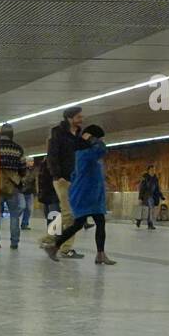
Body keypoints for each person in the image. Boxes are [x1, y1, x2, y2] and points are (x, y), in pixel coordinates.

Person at [43, 125, 115, 266]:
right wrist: (92, 140)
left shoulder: (85, 153)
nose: (101, 141)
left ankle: (100, 254)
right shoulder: (84, 153)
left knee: (88, 223)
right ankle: (54, 246)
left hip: (91, 195)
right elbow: (101, 150)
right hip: (85, 195)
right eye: (99, 138)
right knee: (81, 223)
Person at [42, 106, 86, 257]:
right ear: (70, 118)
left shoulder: (79, 134)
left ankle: (48, 239)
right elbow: (52, 156)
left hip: (75, 179)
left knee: (70, 215)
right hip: (62, 179)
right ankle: (65, 248)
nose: (81, 119)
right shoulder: (58, 133)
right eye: (79, 117)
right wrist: (57, 175)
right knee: (71, 216)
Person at [0, 124, 27, 249]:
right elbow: (23, 168)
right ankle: (14, 242)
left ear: (1, 133)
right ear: (12, 134)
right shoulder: (18, 149)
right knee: (14, 215)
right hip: (13, 187)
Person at [135, 165, 163, 230]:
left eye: (154, 170)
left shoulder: (155, 179)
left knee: (150, 210)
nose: (153, 171)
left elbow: (157, 188)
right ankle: (142, 221)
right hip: (146, 196)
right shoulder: (145, 178)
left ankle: (148, 223)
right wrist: (140, 198)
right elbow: (142, 188)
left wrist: (161, 196)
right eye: (151, 170)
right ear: (148, 171)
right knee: (147, 210)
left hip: (153, 197)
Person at [37, 157, 60, 229]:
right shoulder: (45, 164)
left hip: (50, 192)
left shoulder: (44, 164)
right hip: (49, 192)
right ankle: (52, 234)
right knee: (52, 214)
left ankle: (53, 235)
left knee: (52, 215)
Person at [20, 159, 36, 231]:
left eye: (32, 161)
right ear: (26, 162)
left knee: (29, 209)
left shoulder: (33, 170)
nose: (32, 162)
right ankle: (15, 218)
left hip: (30, 191)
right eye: (30, 161)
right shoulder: (22, 169)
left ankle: (25, 224)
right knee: (22, 206)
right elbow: (22, 179)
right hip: (22, 191)